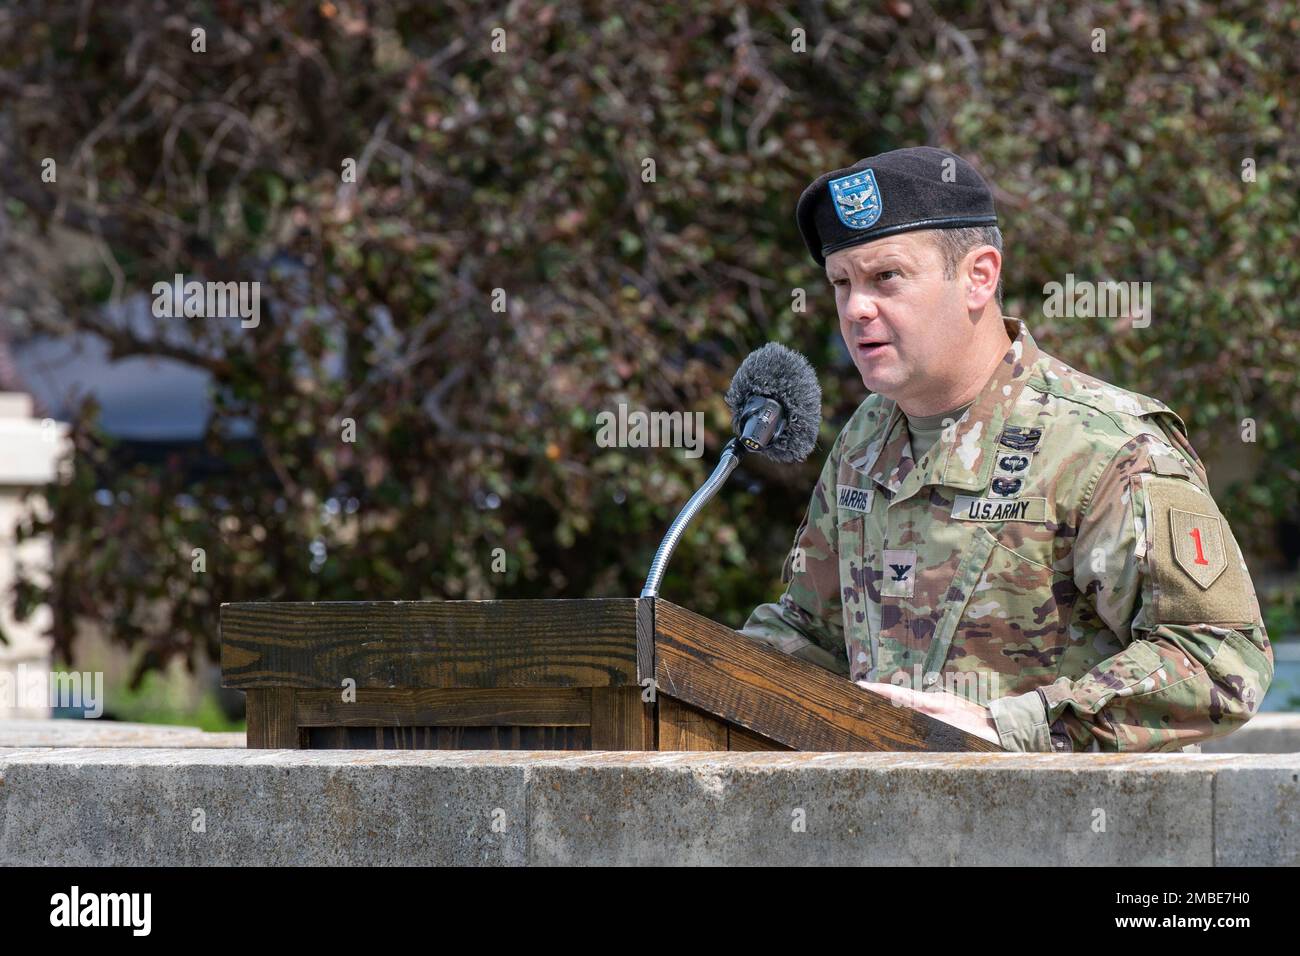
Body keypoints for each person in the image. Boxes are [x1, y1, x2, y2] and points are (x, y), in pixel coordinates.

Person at [740, 146, 1273, 752]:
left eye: (885, 277)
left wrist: (1011, 728)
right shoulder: (867, 436)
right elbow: (811, 634)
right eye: (842, 283)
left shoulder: (1105, 446)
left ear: (979, 276)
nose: (857, 307)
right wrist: (683, 676)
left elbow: (1220, 661)